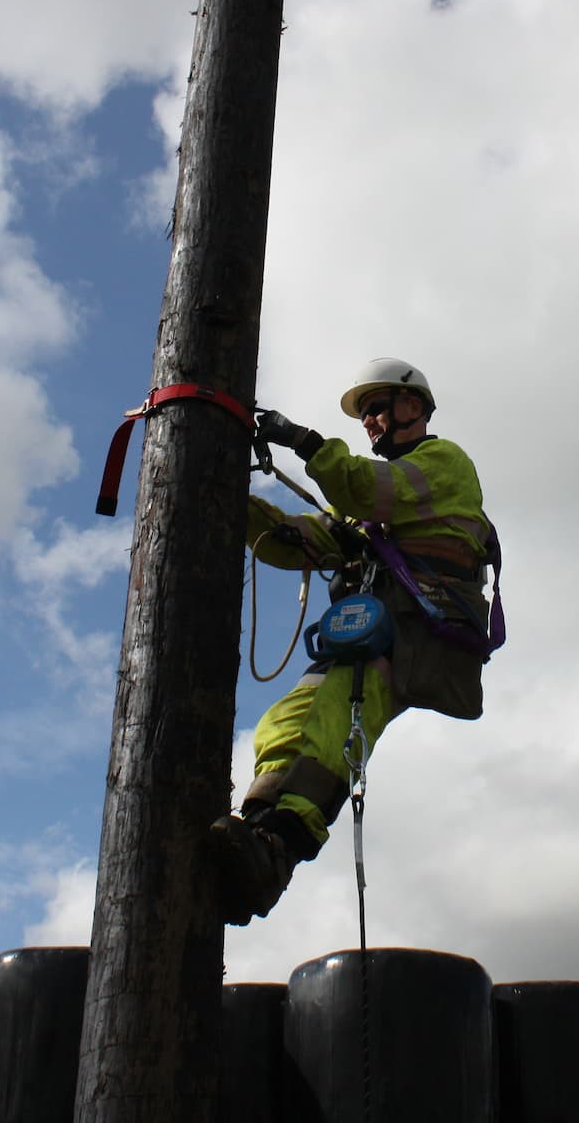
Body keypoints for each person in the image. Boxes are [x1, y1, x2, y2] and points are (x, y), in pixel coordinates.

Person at [210, 358, 497, 925]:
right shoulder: (367, 504)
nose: (367, 421)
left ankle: (282, 846)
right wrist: (233, 505)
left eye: (375, 408)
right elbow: (306, 541)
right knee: (284, 722)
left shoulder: (443, 463)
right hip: (369, 629)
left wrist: (304, 442)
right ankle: (256, 828)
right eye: (363, 413)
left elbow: (367, 488)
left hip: (414, 630)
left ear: (412, 406)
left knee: (336, 719)